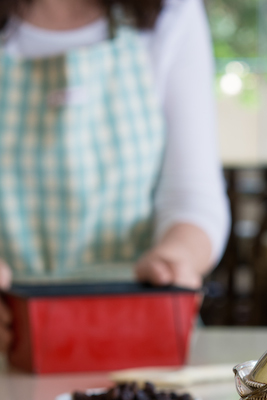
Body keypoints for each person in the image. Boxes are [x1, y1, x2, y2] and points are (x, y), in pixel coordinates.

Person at [0, 0, 230, 352]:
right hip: (9, 338)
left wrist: (176, 259)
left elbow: (193, 197)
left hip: (138, 333)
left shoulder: (174, 12)